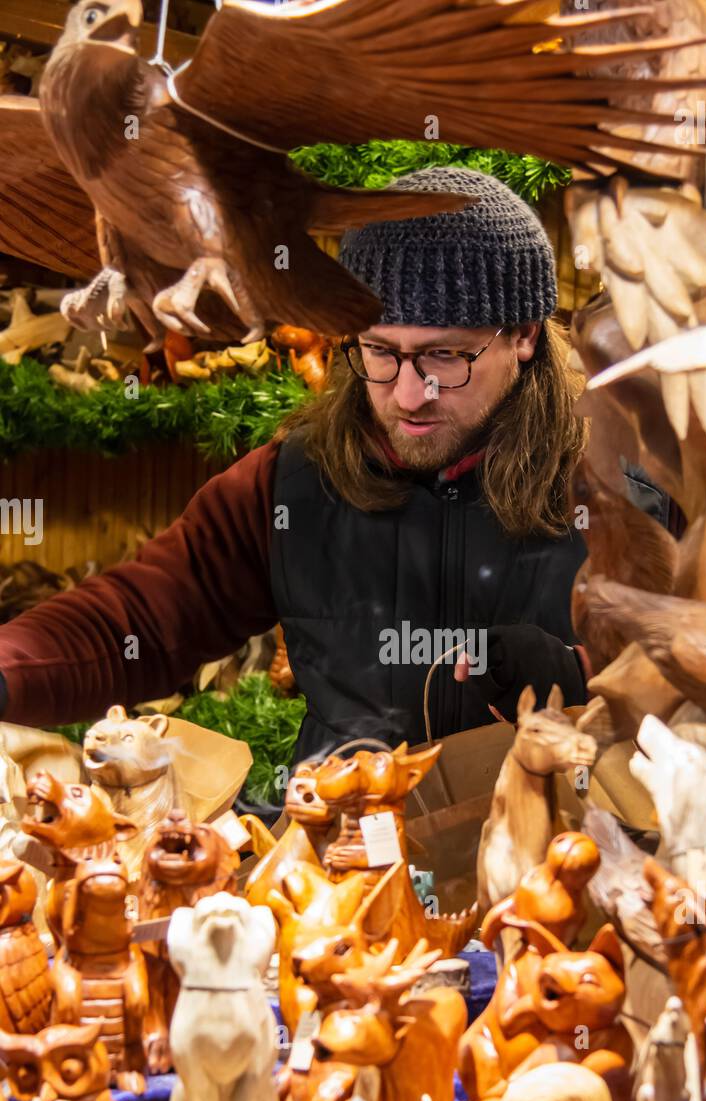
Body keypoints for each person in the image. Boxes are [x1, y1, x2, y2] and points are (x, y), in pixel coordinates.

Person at [0, 167, 591, 764]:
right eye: (380, 352)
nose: (410, 395)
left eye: (444, 355)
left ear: (523, 334)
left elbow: (677, 674)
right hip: (334, 839)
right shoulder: (290, 482)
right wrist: (7, 671)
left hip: (562, 845)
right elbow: (140, 623)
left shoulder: (620, 485)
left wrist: (581, 672)